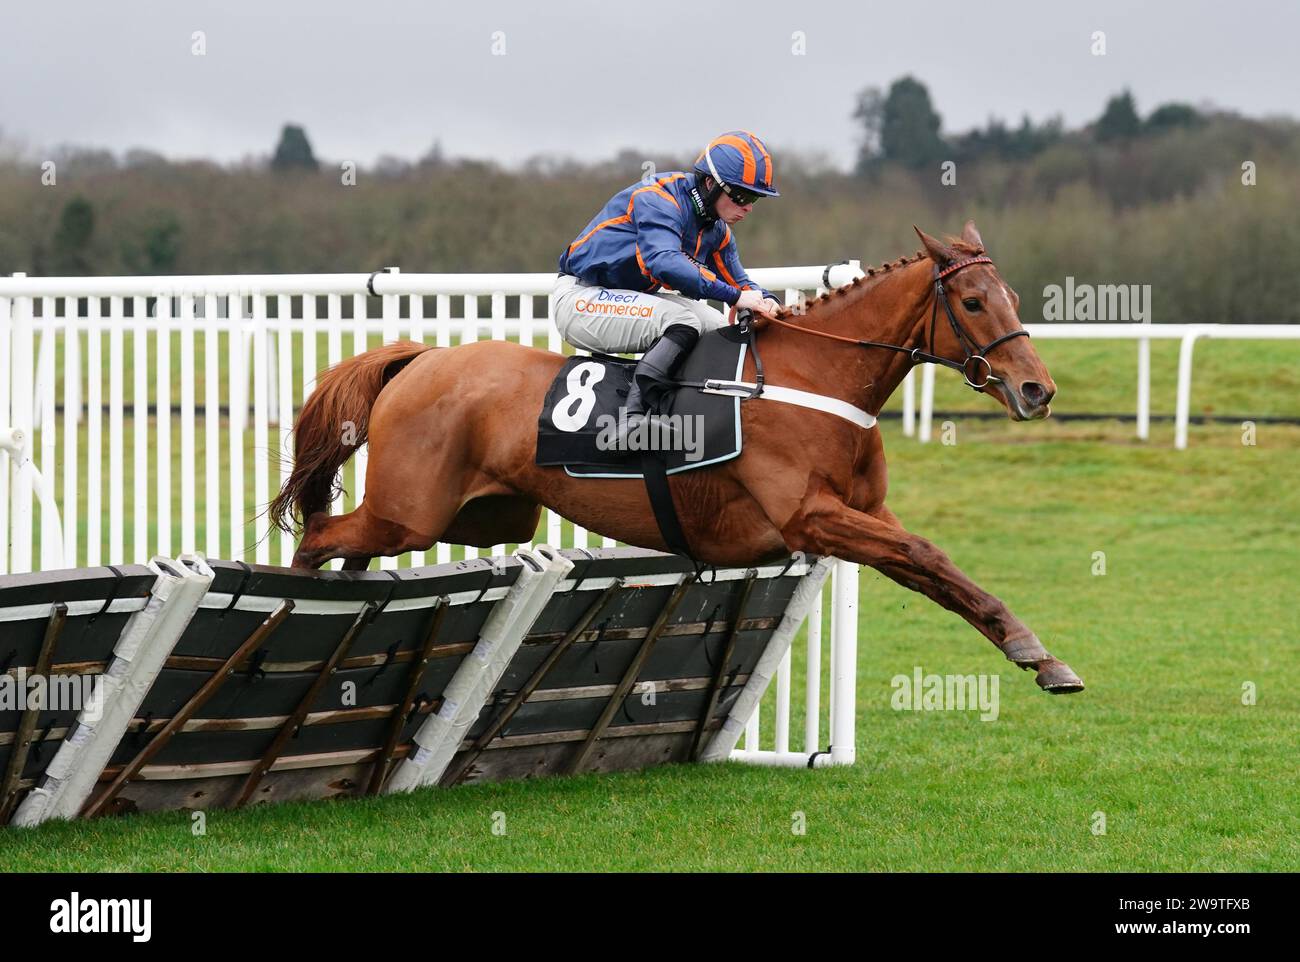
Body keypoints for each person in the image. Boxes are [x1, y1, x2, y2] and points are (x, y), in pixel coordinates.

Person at [553, 131, 784, 443]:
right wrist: (736, 297)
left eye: (754, 198)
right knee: (683, 320)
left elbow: (741, 283)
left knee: (718, 329)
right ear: (710, 184)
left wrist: (765, 300)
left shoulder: (717, 229)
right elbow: (664, 262)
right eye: (742, 196)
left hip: (627, 298)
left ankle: (704, 413)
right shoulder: (658, 199)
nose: (748, 207)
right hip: (580, 298)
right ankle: (632, 420)